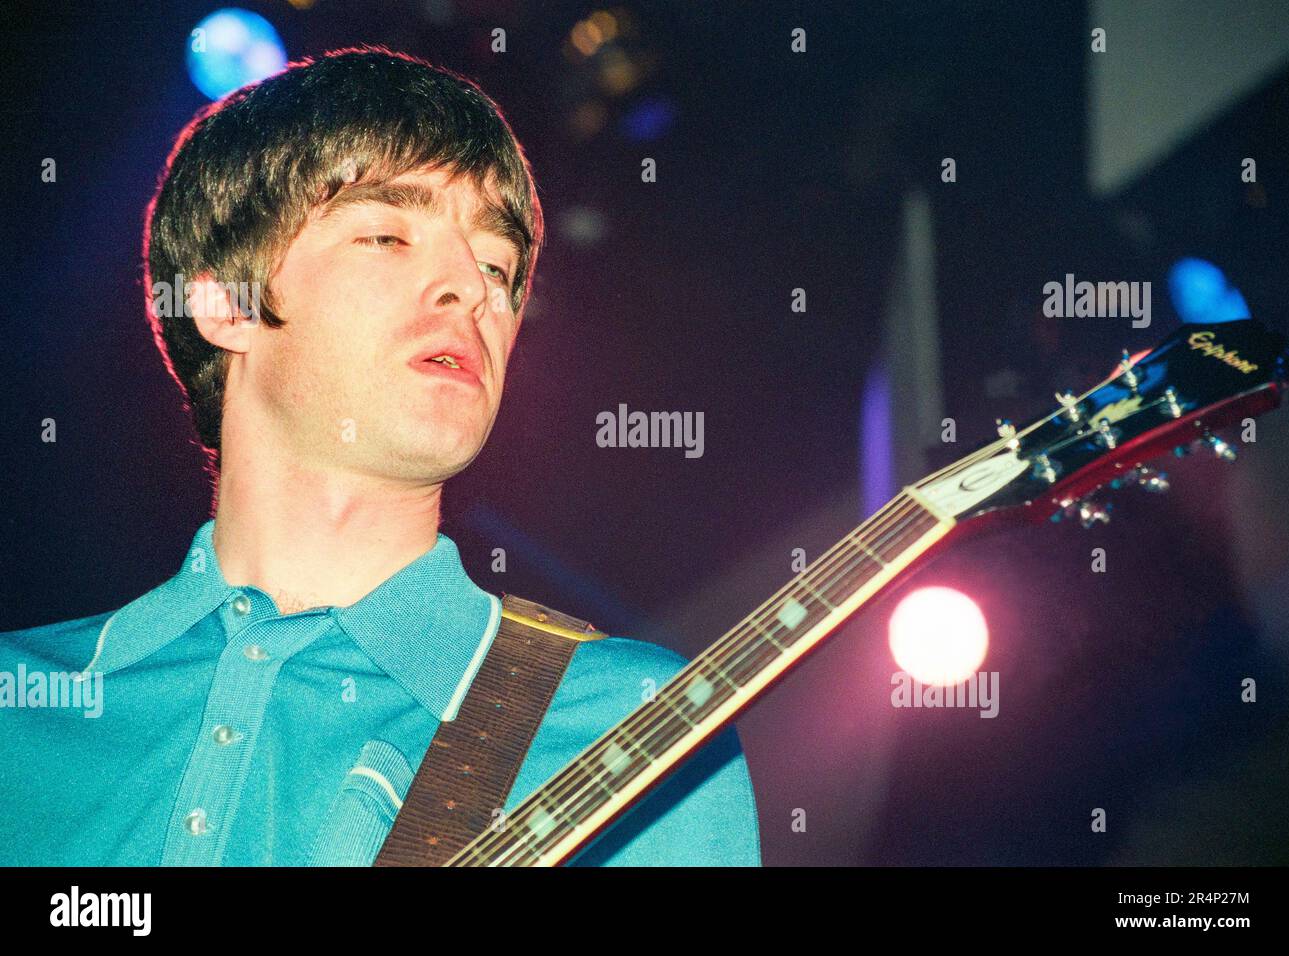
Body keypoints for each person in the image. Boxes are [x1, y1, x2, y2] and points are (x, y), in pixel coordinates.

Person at [0, 47, 761, 867]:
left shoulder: (631, 730)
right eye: (390, 234)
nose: (474, 289)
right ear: (227, 305)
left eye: (497, 266)